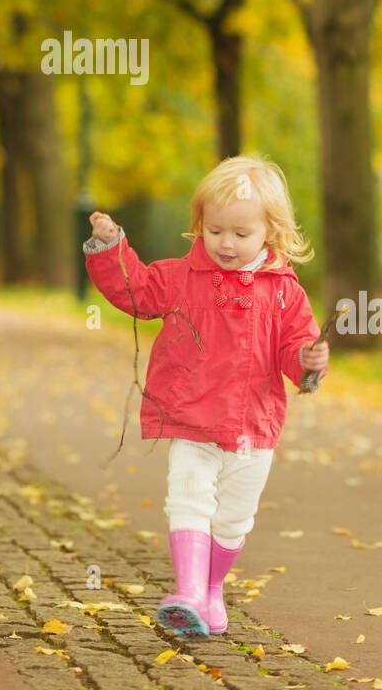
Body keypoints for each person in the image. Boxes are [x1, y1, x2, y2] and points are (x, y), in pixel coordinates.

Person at [83, 153, 329, 637]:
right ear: (200, 225)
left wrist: (306, 362)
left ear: (270, 233)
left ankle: (211, 592)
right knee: (189, 499)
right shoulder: (180, 277)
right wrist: (111, 248)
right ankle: (188, 593)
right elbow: (137, 292)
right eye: (215, 230)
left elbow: (293, 350)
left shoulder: (284, 292)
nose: (226, 243)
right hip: (192, 418)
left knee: (235, 517)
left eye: (241, 234)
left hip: (252, 426)